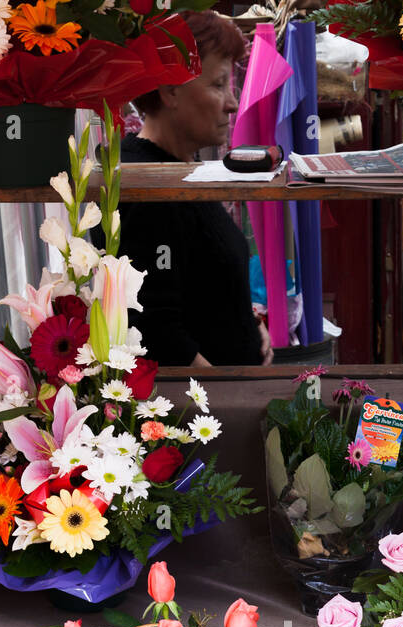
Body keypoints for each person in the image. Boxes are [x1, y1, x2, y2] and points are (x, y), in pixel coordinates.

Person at [119, 10, 272, 368]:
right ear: (170, 90)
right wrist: (224, 399)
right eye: (219, 85)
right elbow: (155, 329)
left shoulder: (178, 170)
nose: (232, 103)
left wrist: (250, 326)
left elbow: (200, 289)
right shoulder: (147, 186)